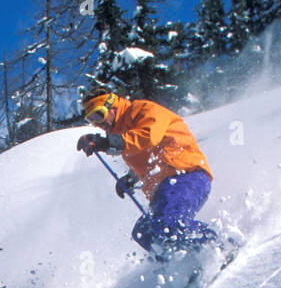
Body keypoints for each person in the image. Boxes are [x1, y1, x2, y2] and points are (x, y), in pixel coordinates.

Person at [77, 90, 220, 260]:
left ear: (113, 106)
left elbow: (149, 136)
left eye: (99, 115)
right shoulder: (123, 131)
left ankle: (218, 246)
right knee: (144, 232)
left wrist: (107, 142)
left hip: (186, 176)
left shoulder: (142, 110)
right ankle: (180, 266)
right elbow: (149, 157)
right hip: (164, 188)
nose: (98, 123)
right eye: (91, 120)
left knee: (168, 225)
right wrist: (131, 178)